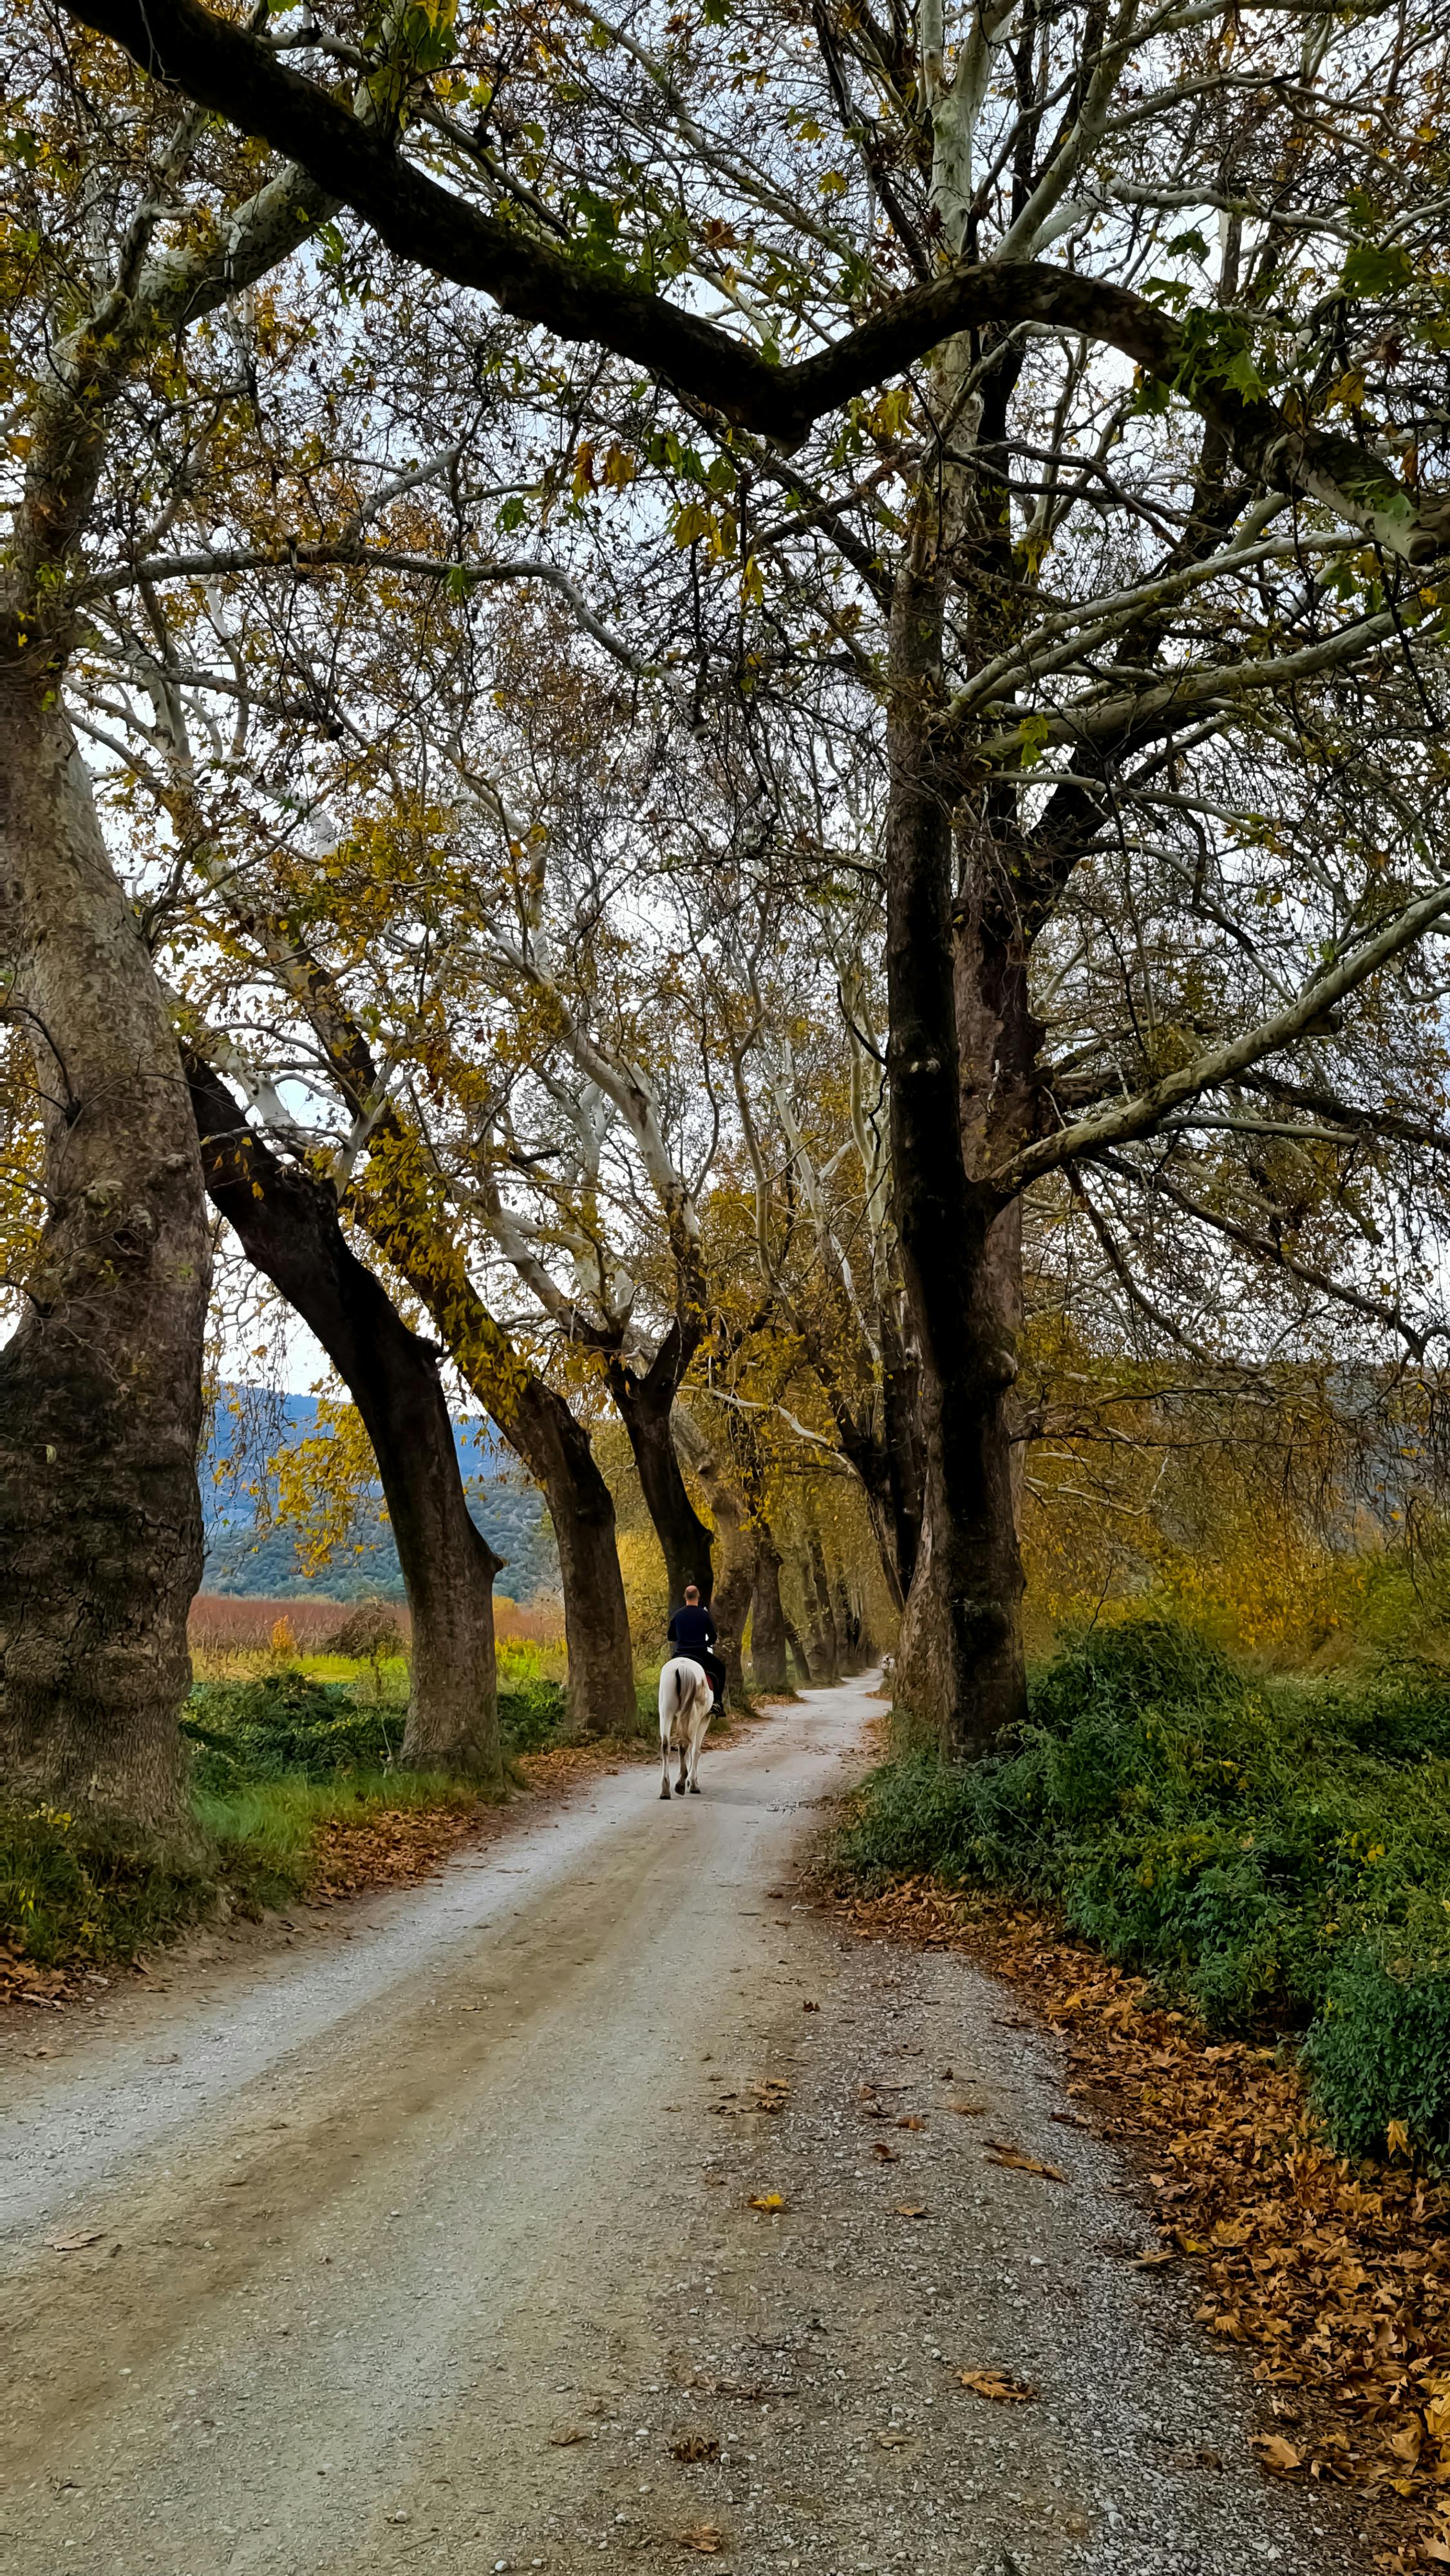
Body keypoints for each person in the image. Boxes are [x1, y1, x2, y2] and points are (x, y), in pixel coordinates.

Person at [667, 1583, 726, 1714]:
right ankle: (717, 1702)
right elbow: (713, 1637)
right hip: (700, 1654)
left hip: (680, 1654)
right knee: (721, 1669)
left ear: (685, 1597)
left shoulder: (677, 1615)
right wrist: (706, 1643)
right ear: (698, 1596)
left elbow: (671, 1637)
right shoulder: (704, 1615)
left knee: (667, 1672)